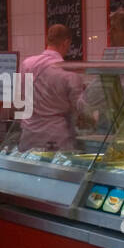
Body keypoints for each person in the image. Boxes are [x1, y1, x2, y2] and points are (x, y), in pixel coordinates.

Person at [18, 24, 87, 152]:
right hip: (55, 136)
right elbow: (80, 107)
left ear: (47, 40)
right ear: (66, 42)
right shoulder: (68, 72)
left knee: (28, 169)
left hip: (29, 133)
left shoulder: (27, 64)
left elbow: (21, 96)